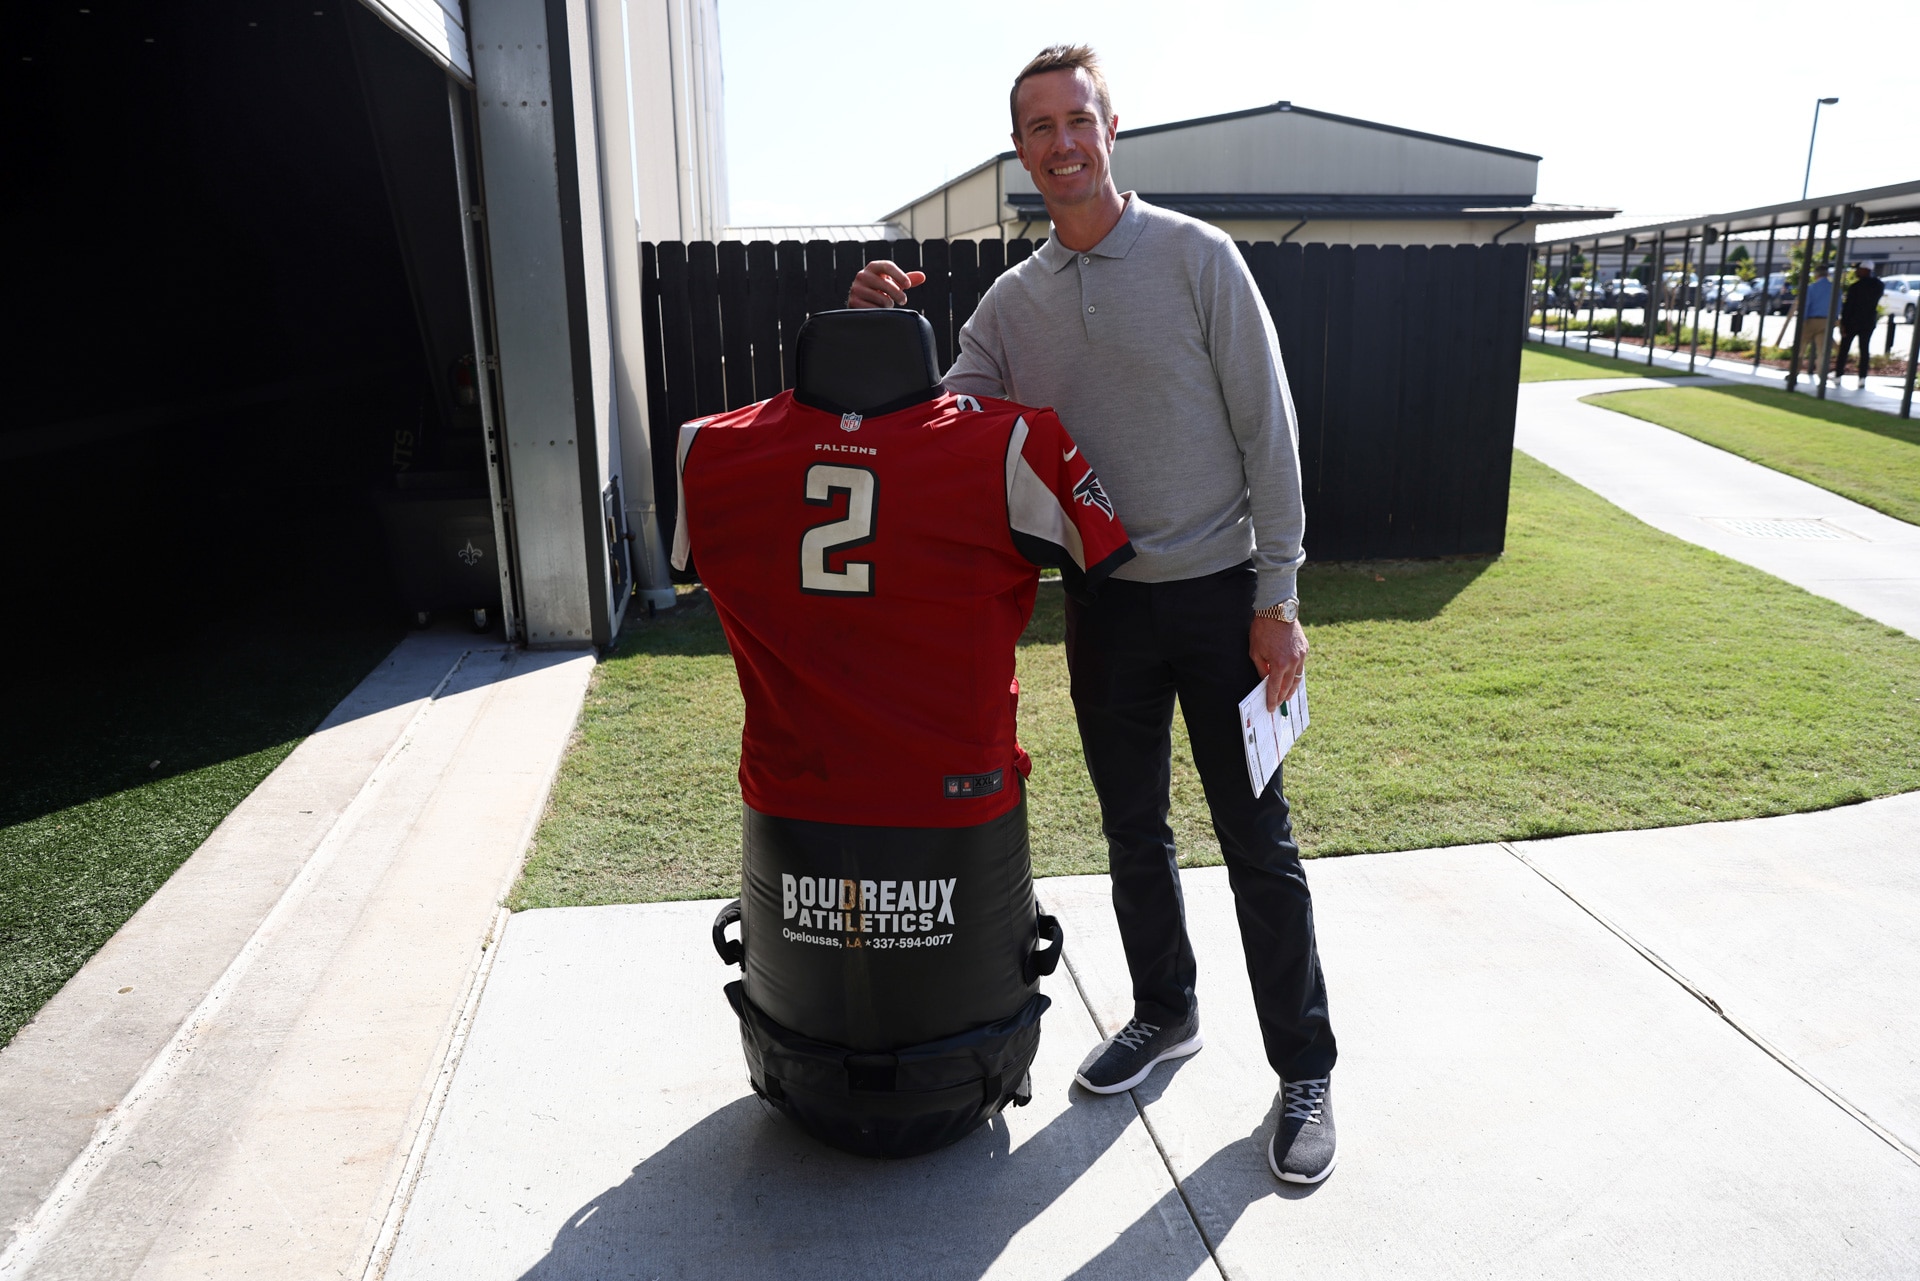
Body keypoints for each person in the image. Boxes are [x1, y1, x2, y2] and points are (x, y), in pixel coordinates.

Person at [847, 44, 1338, 1184]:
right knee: (1134, 836)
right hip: (1105, 605)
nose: (1061, 142)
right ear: (1019, 150)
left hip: (1223, 603)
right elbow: (938, 419)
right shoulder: (1015, 305)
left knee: (1259, 846)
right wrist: (870, 324)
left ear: (1113, 130)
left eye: (1078, 119)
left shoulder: (1196, 259)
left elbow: (1272, 434)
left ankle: (1303, 1070)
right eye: (1038, 127)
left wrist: (1280, 599)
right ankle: (1165, 1011)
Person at [1836, 263, 1884, 386]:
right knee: (1864, 350)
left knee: (1844, 349)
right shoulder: (1878, 286)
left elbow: (1848, 307)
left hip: (1853, 322)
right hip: (1868, 323)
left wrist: (1843, 324)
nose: (1856, 272)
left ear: (1865, 270)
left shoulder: (1855, 287)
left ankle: (1838, 374)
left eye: (1859, 269)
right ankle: (1862, 377)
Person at [1789, 264, 1835, 390]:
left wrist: (1802, 322)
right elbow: (1837, 307)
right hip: (1826, 322)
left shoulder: (1812, 288)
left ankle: (1794, 373)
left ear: (1816, 275)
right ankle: (1822, 377)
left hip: (1811, 320)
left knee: (1800, 349)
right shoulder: (1835, 289)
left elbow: (1806, 305)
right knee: (1822, 352)